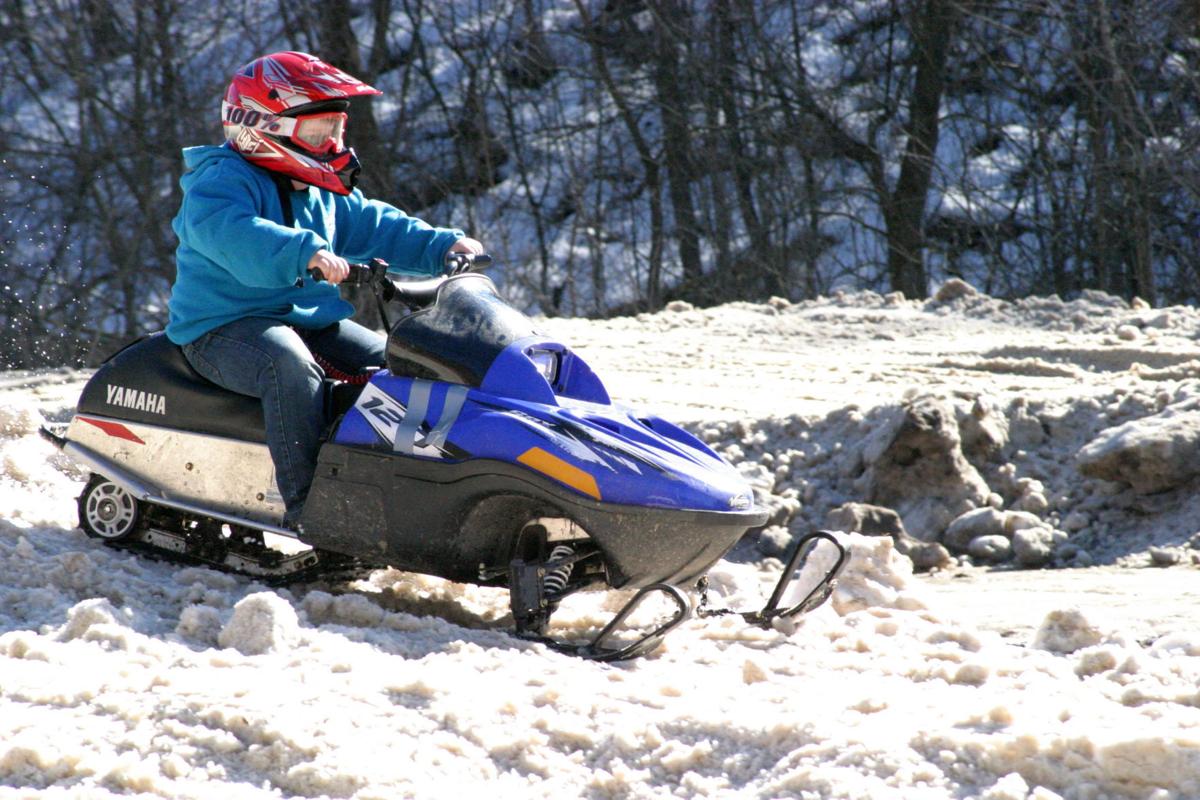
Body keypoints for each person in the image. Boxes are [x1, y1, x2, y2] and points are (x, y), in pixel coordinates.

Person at [166, 51, 483, 527]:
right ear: (261, 127)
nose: (332, 143)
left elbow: (376, 225)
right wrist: (305, 254)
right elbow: (235, 234)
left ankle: (404, 488)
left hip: (311, 323)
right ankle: (309, 507)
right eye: (317, 133)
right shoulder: (219, 183)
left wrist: (443, 246)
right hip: (224, 327)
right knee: (288, 368)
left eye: (336, 130)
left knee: (403, 363)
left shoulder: (317, 187)